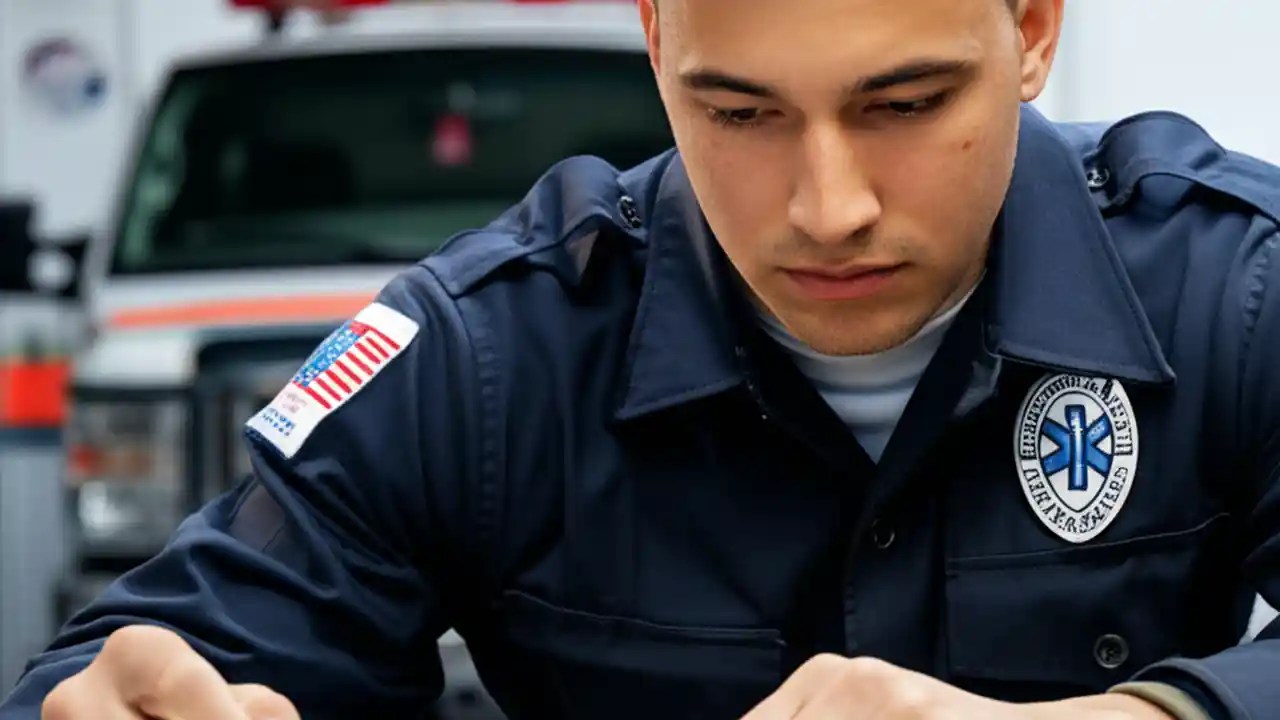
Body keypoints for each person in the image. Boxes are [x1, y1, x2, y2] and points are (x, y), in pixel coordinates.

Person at [7, 0, 1280, 717]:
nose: (827, 207)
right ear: (657, 44)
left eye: (902, 106)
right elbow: (138, 659)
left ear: (1033, 30)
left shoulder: (1231, 285)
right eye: (740, 115)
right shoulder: (489, 357)